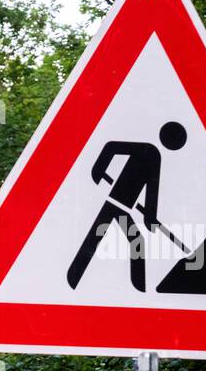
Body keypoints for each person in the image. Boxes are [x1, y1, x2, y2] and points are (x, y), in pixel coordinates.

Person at [66, 121, 187, 290]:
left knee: (105, 239)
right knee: (128, 241)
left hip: (120, 207)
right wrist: (98, 170)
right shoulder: (151, 153)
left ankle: (73, 278)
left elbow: (151, 191)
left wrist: (149, 218)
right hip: (115, 204)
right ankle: (138, 289)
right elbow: (112, 147)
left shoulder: (152, 154)